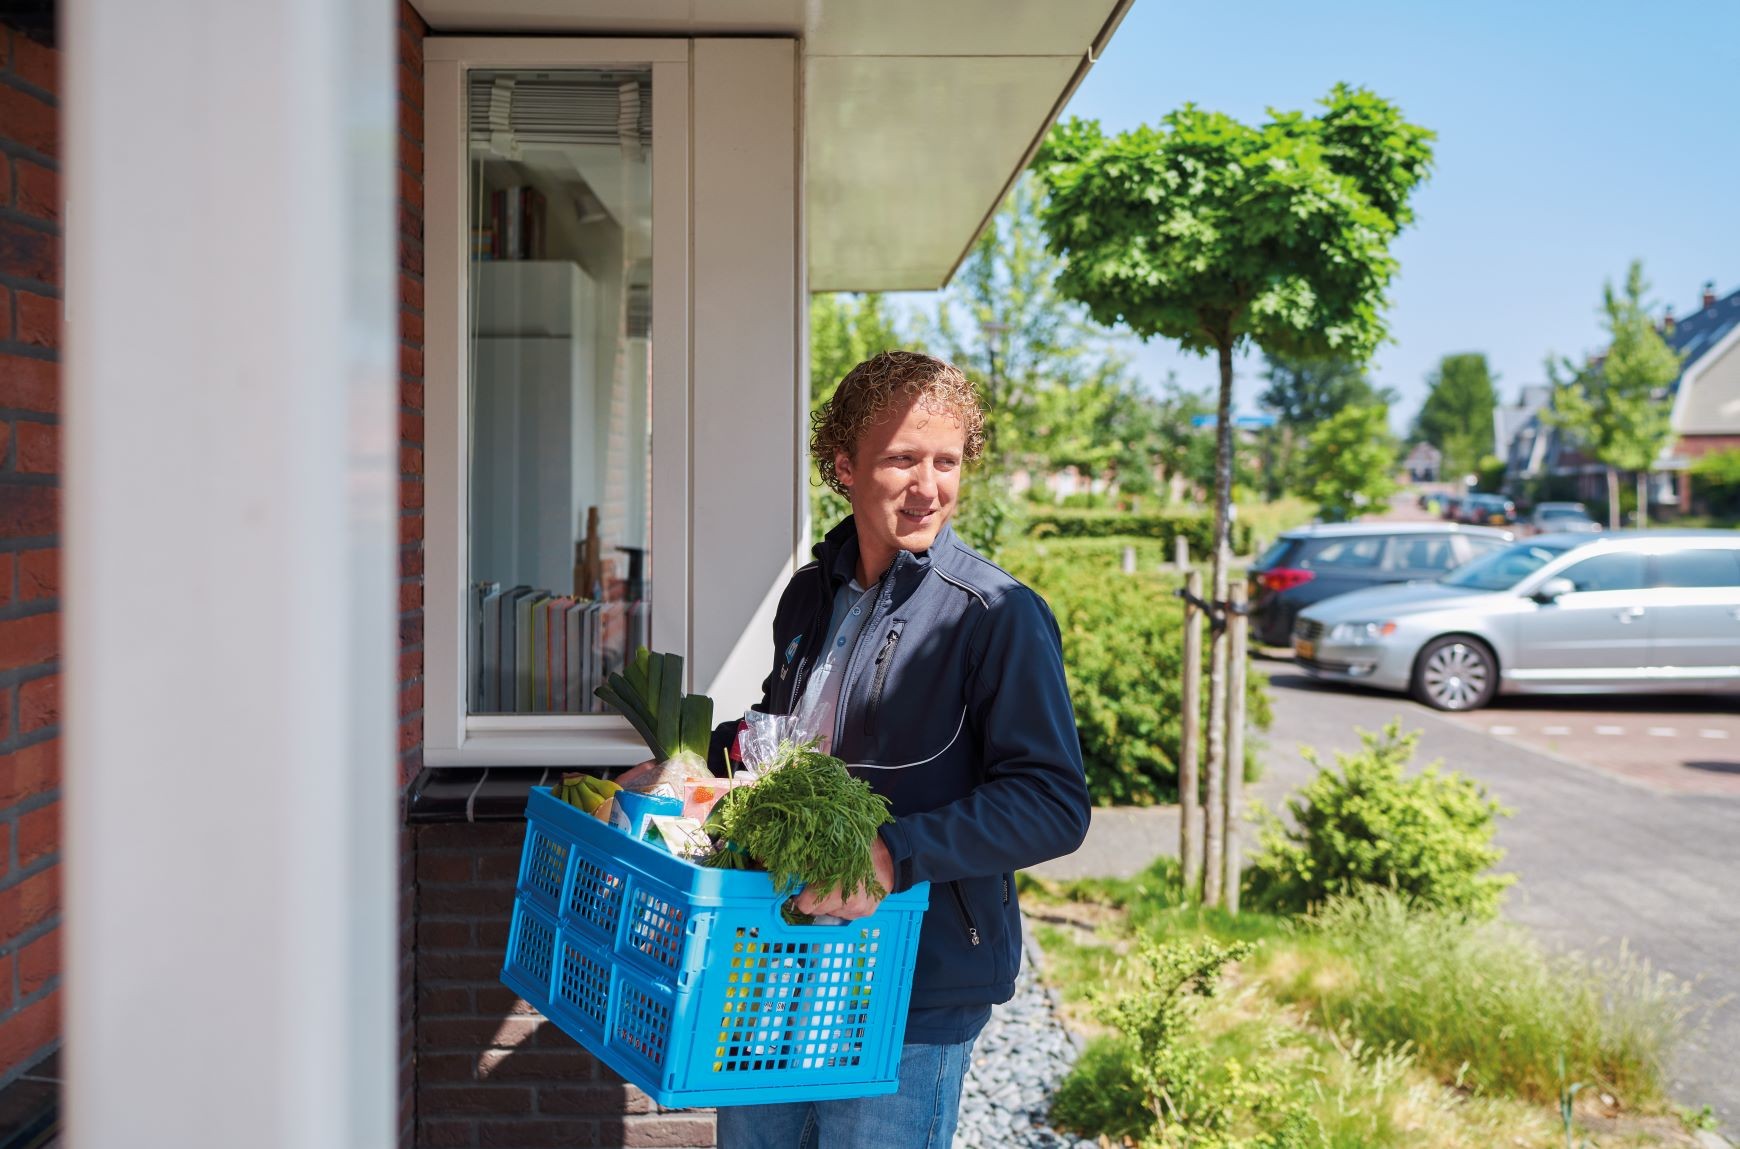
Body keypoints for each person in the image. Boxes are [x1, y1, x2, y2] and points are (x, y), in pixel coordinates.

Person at [705, 349, 1092, 1149]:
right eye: (901, 459)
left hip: (912, 982)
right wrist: (701, 759)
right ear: (843, 466)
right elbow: (790, 737)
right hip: (779, 955)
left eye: (946, 461)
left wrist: (891, 852)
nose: (929, 487)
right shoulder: (811, 594)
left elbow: (1053, 802)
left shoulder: (995, 614)